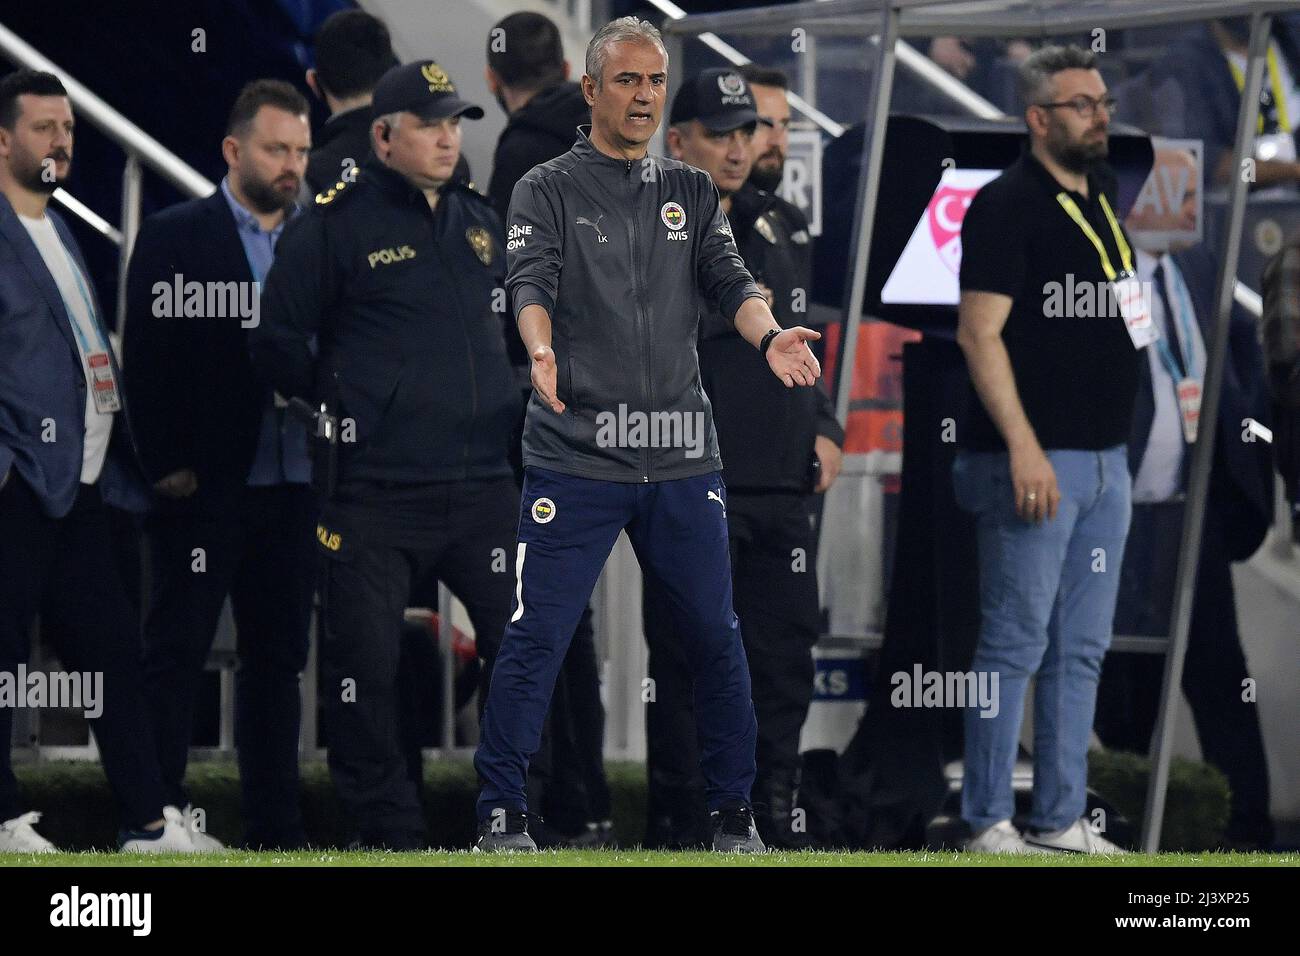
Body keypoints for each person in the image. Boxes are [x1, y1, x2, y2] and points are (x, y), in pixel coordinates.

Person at [472, 17, 824, 854]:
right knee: (537, 635)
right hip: (574, 452)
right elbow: (529, 279)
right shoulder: (545, 187)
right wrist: (541, 344)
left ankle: (733, 822)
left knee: (714, 635)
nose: (643, 96)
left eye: (655, 82)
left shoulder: (692, 190)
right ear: (590, 90)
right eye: (626, 80)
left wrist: (769, 335)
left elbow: (731, 280)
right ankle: (501, 817)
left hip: (679, 455)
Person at [251, 60, 521, 850]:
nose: (447, 136)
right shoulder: (331, 227)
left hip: (483, 489)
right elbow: (273, 344)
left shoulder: (483, 222)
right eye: (430, 123)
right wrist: (346, 407)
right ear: (383, 136)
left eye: (456, 122)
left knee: (528, 649)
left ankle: (512, 818)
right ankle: (387, 833)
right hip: (372, 493)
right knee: (362, 672)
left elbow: (518, 335)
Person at [0, 69, 208, 854]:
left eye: (69, 129)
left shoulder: (60, 229)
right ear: (2, 139)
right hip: (18, 481)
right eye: (45, 128)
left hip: (84, 485)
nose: (62, 142)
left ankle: (149, 826)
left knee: (114, 654)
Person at [642, 66, 844, 849]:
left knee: (785, 659)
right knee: (694, 663)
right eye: (721, 134)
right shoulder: (646, 227)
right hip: (695, 481)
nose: (738, 148)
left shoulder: (782, 223)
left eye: (746, 132)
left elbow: (802, 337)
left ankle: (774, 822)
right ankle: (684, 829)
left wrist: (825, 423)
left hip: (783, 484)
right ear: (678, 139)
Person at [953, 45, 1141, 854]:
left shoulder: (1100, 195)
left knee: (1081, 650)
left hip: (1106, 461)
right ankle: (988, 817)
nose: (1100, 115)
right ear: (1039, 119)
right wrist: (1024, 446)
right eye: (1082, 104)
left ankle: (1061, 817)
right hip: (1034, 461)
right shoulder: (1006, 204)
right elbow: (979, 332)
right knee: (1014, 644)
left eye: (1102, 102)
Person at [123, 79, 315, 850]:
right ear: (235, 150)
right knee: (177, 650)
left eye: (301, 150)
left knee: (279, 663)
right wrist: (162, 458)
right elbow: (145, 354)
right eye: (278, 149)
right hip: (205, 483)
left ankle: (276, 828)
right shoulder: (176, 235)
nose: (293, 164)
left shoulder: (318, 238)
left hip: (297, 482)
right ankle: (158, 817)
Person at [1094, 148, 1276, 850]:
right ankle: (1128, 828)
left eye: (1191, 187)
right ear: (1132, 202)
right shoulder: (1100, 282)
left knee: (1222, 680)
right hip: (1122, 521)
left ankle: (1253, 836)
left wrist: (1246, 477)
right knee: (1124, 685)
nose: (1190, 206)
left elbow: (1239, 370)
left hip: (1192, 518)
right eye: (1173, 190)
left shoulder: (1200, 267)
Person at [484, 9, 611, 847]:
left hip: (548, 409)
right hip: (626, 400)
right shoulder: (616, 139)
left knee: (545, 608)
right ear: (567, 63)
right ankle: (589, 800)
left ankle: (556, 803)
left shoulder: (518, 155)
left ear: (496, 84)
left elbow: (515, 286)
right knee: (578, 613)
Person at [304, 10, 470, 198]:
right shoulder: (448, 163)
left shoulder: (312, 172)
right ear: (392, 74)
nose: (446, 139)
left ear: (313, 82)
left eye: (454, 123)